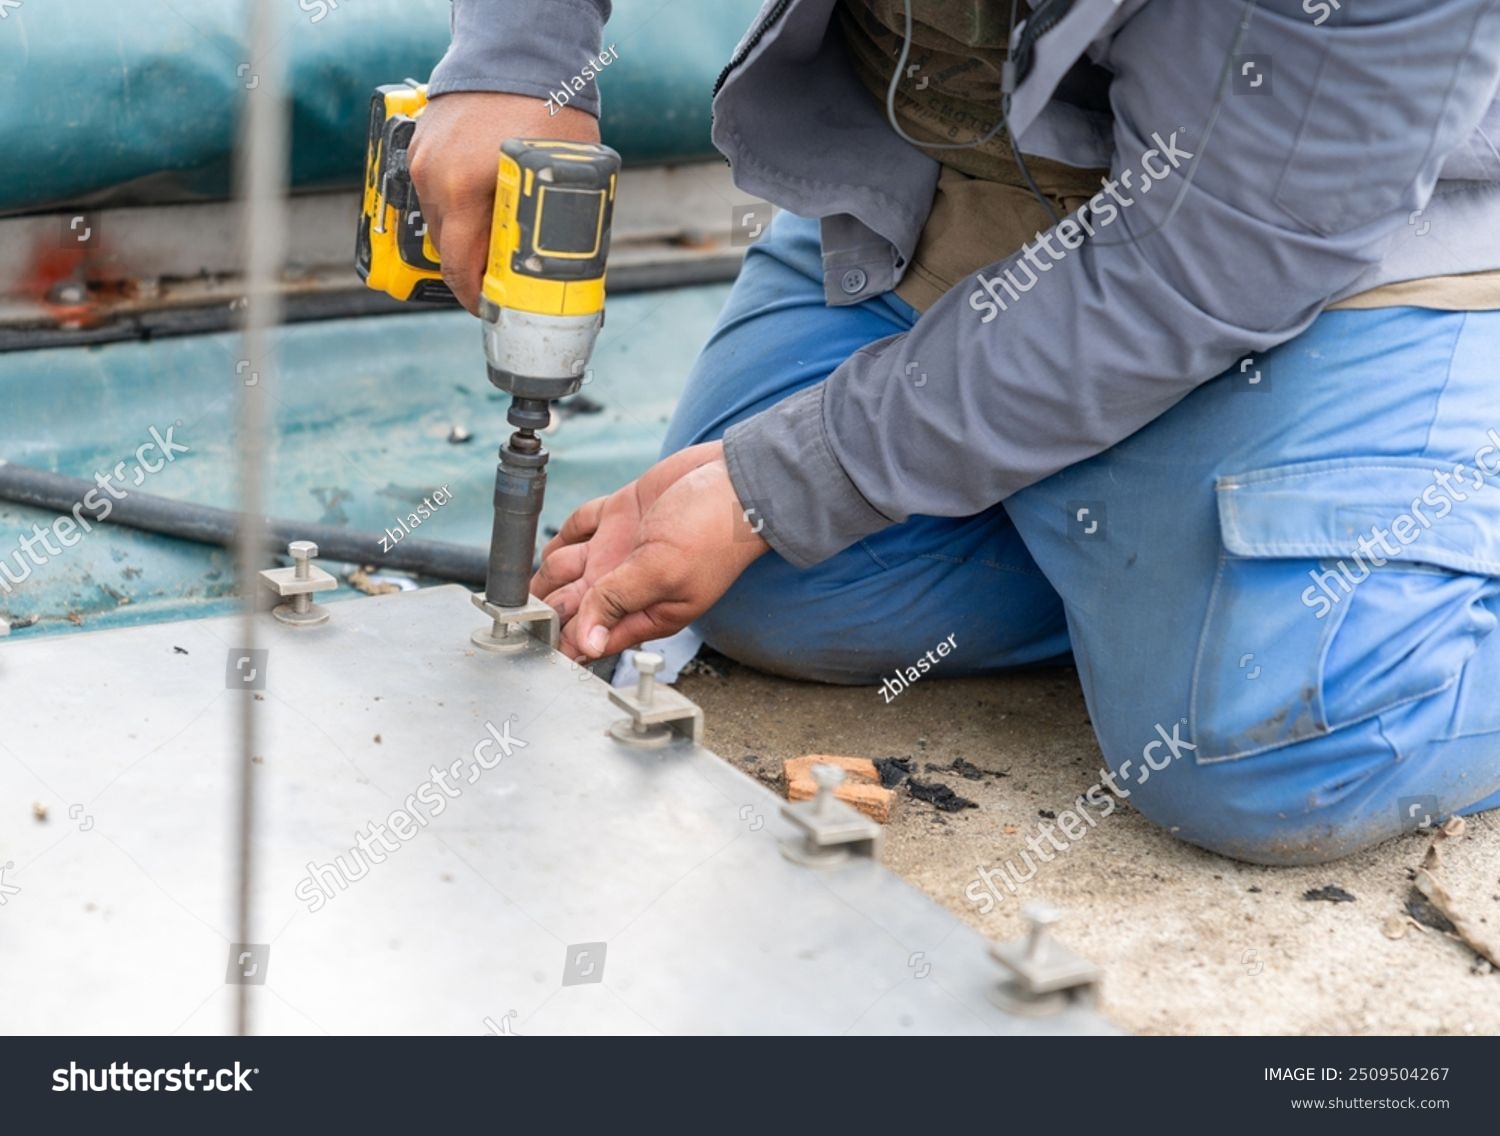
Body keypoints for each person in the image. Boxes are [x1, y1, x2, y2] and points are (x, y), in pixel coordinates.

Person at [410, 0, 1500, 865]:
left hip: (1320, 245)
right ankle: (1139, 548)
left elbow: (1211, 257)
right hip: (975, 186)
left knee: (1275, 743)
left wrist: (790, 477)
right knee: (765, 588)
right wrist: (520, 52)